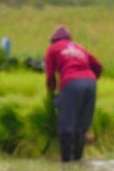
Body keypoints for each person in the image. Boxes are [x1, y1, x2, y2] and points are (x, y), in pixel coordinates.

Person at [44, 26, 103, 162]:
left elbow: (50, 76)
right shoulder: (79, 47)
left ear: (53, 40)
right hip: (90, 83)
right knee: (81, 126)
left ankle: (65, 162)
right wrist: (89, 79)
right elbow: (98, 66)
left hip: (71, 82)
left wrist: (50, 93)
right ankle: (78, 160)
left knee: (66, 125)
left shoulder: (53, 49)